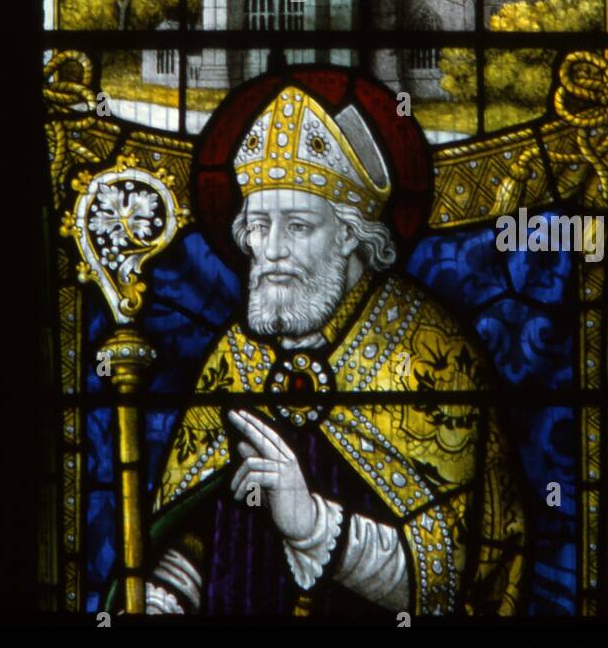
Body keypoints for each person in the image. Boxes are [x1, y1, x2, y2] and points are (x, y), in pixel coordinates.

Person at [145, 71, 527, 617]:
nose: (269, 249)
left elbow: (453, 583)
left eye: (297, 226)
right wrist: (166, 594)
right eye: (257, 226)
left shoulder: (429, 354)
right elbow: (195, 527)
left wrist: (314, 525)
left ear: (351, 233)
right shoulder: (237, 354)